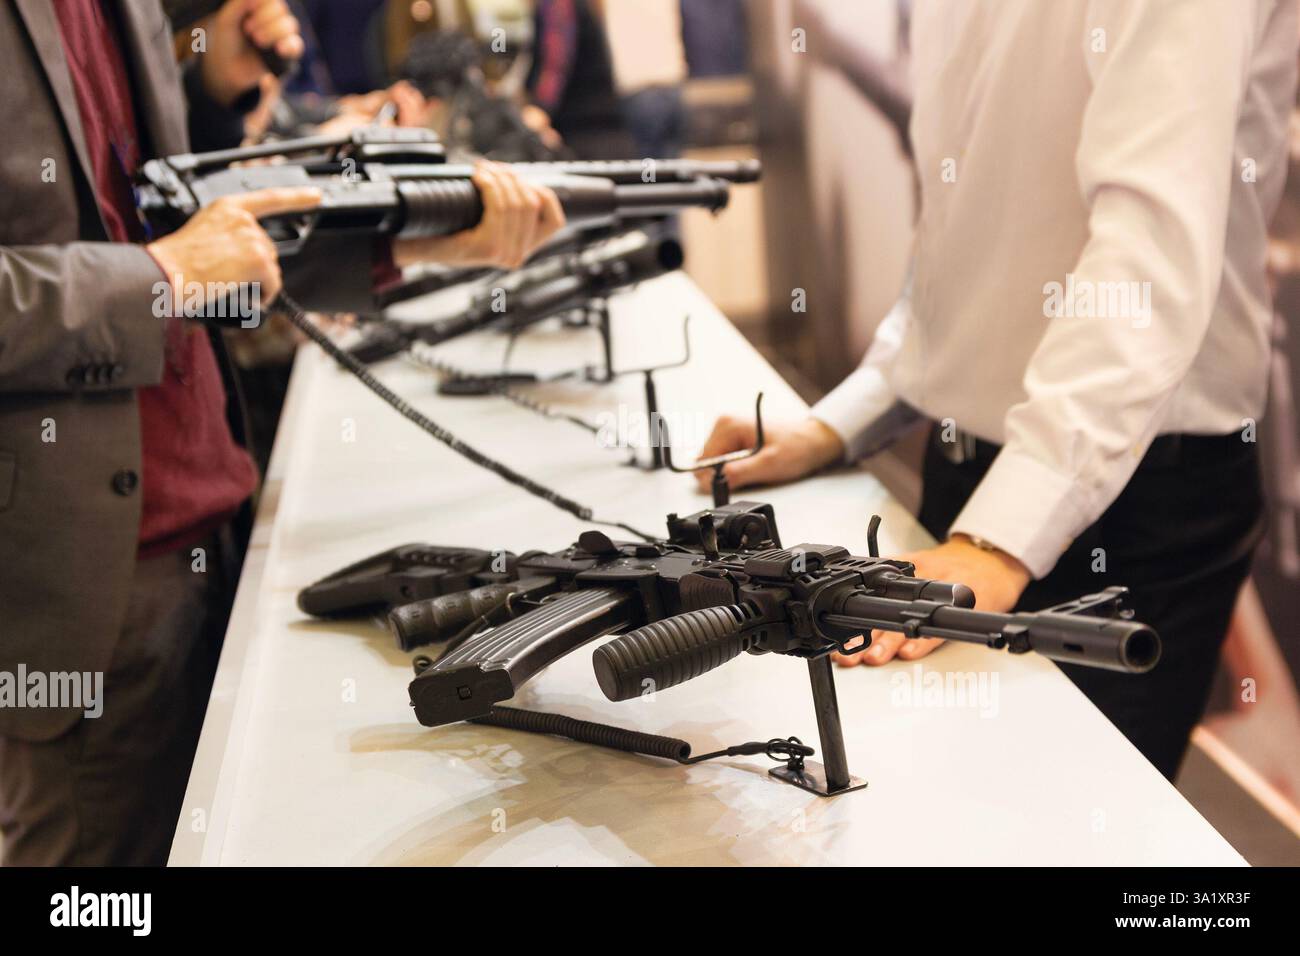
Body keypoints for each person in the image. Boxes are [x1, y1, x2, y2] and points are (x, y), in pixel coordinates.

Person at [0, 0, 563, 865]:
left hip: (215, 519)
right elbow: (165, 265)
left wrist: (411, 244)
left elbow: (159, 223)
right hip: (77, 582)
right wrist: (156, 275)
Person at [696, 0, 1298, 780]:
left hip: (1133, 509)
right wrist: (847, 417)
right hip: (979, 489)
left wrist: (999, 541)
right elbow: (964, 235)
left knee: (1067, 836)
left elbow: (1145, 258)